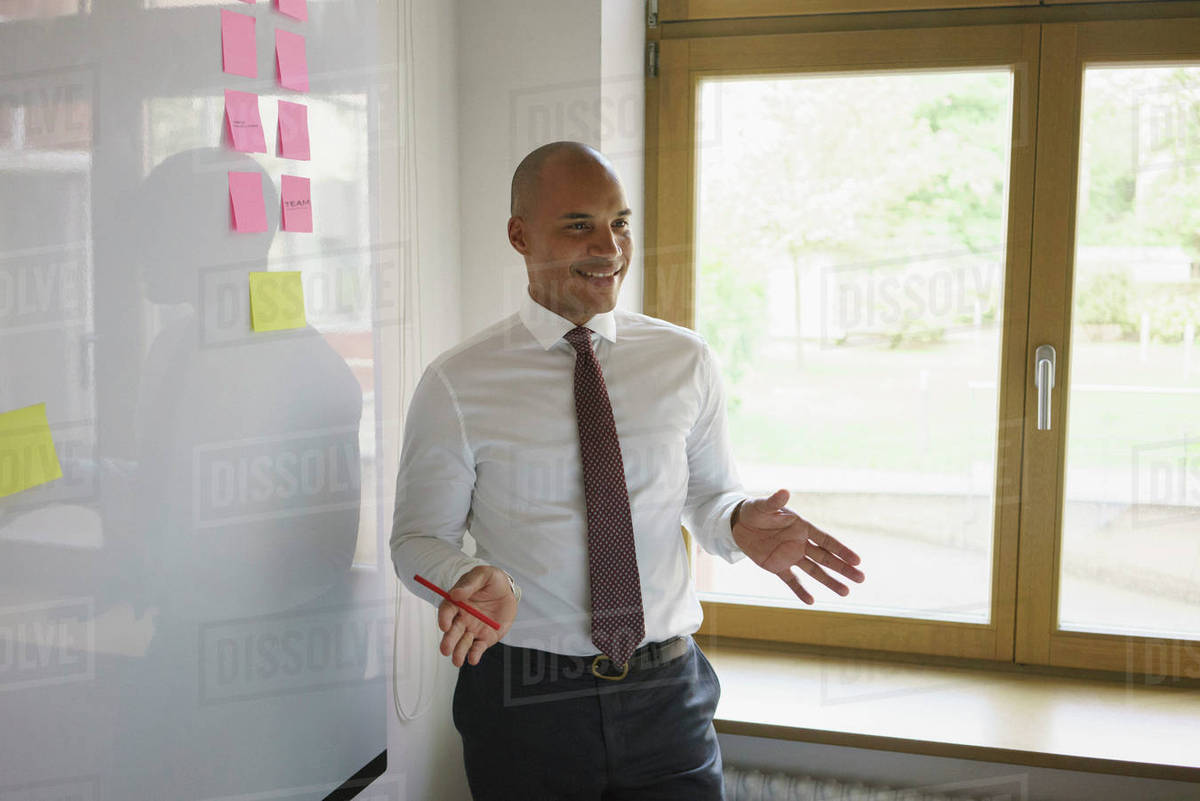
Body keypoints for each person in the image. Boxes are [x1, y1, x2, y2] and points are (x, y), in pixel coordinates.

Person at [391, 141, 865, 800]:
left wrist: (737, 520)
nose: (610, 247)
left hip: (666, 695)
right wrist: (466, 578)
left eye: (620, 222)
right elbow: (415, 538)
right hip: (525, 701)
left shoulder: (684, 360)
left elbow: (707, 493)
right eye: (579, 224)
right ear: (519, 235)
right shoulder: (457, 382)